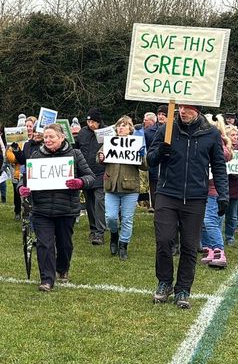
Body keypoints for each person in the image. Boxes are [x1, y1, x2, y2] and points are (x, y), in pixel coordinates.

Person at [147, 104, 228, 309]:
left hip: (195, 197)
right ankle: (164, 282)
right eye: (180, 107)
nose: (182, 111)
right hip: (167, 193)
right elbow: (150, 159)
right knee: (164, 240)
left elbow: (218, 165)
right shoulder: (167, 129)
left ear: (198, 110)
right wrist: (160, 153)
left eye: (187, 108)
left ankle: (183, 288)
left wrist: (223, 194)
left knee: (190, 246)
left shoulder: (210, 133)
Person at [18, 123, 94, 291]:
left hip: (66, 209)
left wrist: (80, 182)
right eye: (45, 137)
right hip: (41, 210)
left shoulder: (75, 154)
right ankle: (47, 279)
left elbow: (90, 177)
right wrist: (22, 189)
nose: (48, 140)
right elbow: (25, 181)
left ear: (62, 137)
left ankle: (62, 268)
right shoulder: (36, 156)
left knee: (65, 245)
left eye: (52, 136)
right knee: (45, 244)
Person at [96, 116, 147, 261]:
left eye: (124, 126)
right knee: (110, 217)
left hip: (130, 188)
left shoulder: (136, 143)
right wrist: (101, 156)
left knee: (127, 219)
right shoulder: (110, 142)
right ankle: (114, 235)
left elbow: (145, 166)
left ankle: (123, 245)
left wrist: (142, 156)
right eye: (119, 126)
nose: (121, 128)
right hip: (111, 186)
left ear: (130, 129)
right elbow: (99, 158)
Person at [199, 116, 234, 269]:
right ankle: (208, 249)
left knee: (210, 220)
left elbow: (226, 155)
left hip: (213, 188)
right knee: (202, 221)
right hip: (199, 186)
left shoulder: (219, 142)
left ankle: (219, 250)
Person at [75, 108, 107, 245]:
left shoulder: (107, 133)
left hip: (101, 172)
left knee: (99, 201)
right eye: (88, 121)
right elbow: (76, 148)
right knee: (89, 202)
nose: (91, 124)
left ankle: (100, 232)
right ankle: (93, 229)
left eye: (93, 121)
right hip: (86, 173)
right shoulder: (82, 133)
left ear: (99, 122)